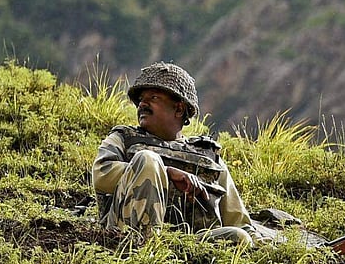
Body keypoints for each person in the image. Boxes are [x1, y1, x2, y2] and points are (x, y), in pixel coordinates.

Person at [92, 62, 257, 244]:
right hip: (128, 237)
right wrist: (166, 172)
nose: (142, 105)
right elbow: (102, 175)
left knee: (240, 237)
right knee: (147, 159)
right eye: (141, 99)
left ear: (179, 109)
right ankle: (144, 253)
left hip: (188, 244)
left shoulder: (208, 155)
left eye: (153, 98)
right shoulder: (123, 138)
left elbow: (238, 219)